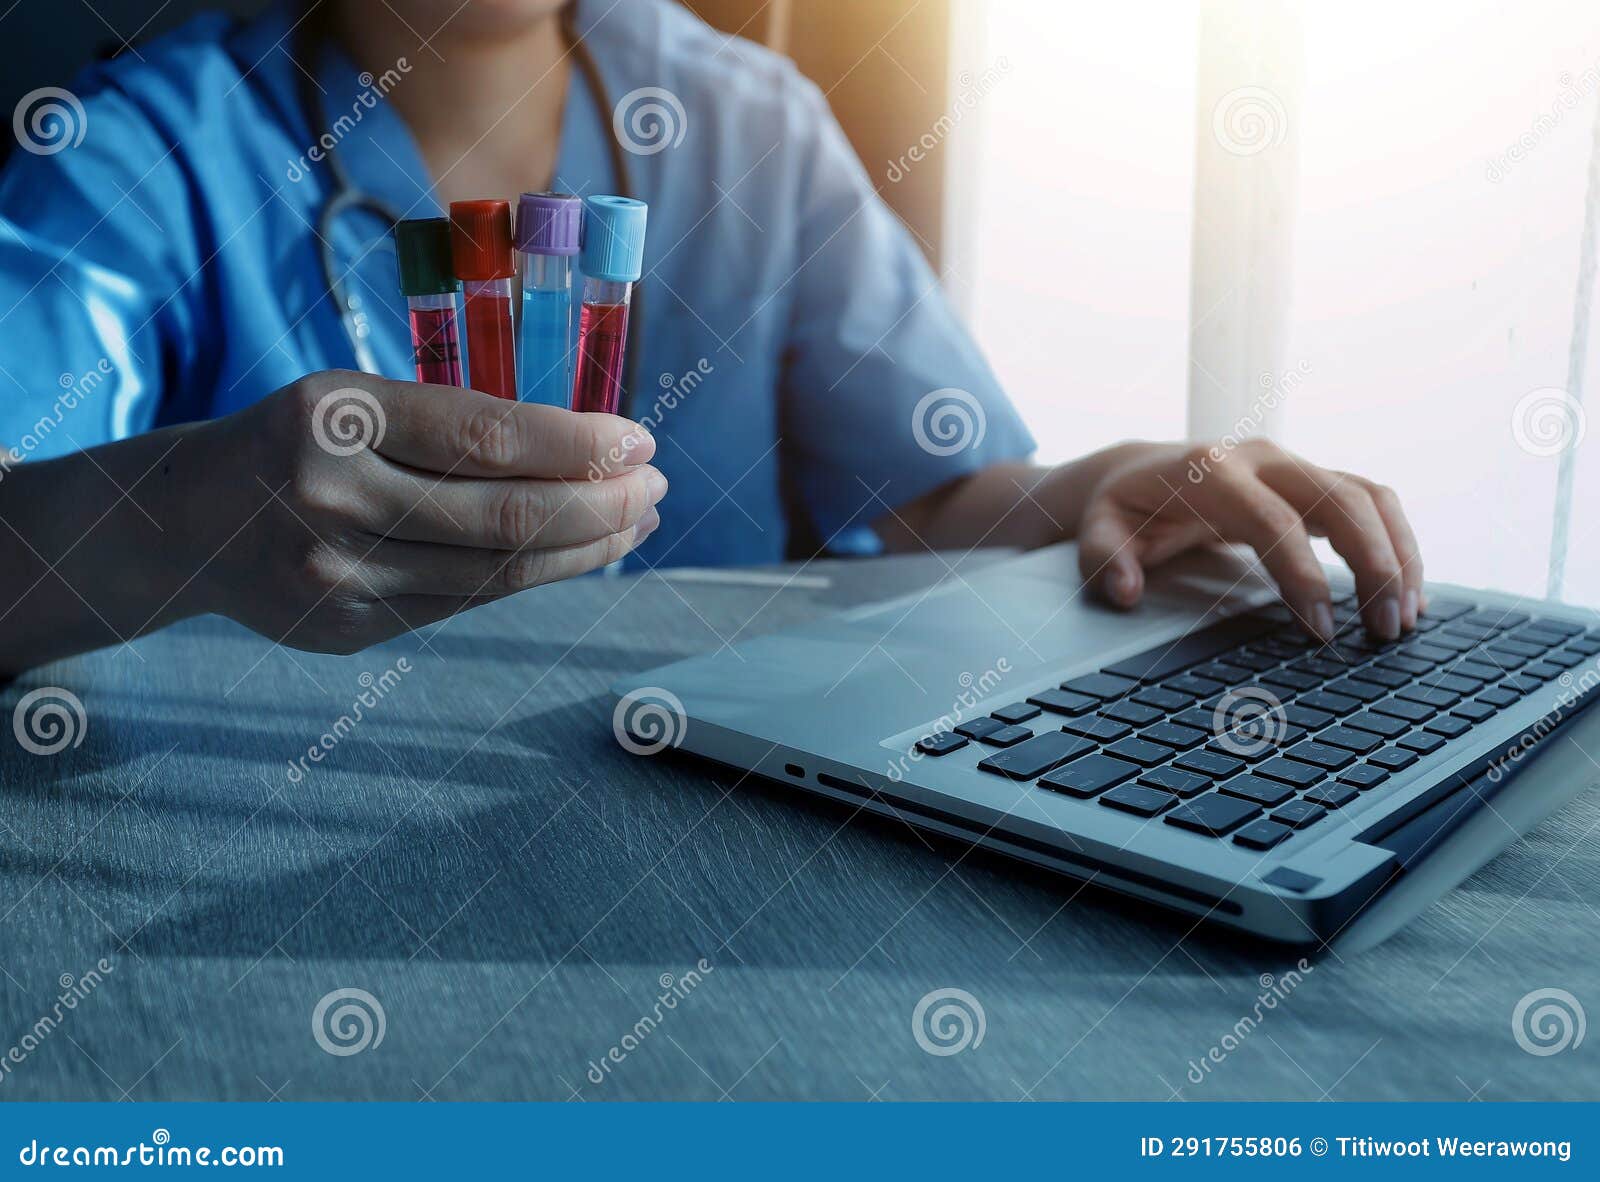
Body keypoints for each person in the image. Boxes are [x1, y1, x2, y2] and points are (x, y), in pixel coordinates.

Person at [0, 0, 1423, 676]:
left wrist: (1107, 484)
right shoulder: (140, 159)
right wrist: (166, 522)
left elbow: (936, 498)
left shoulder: (750, 124)